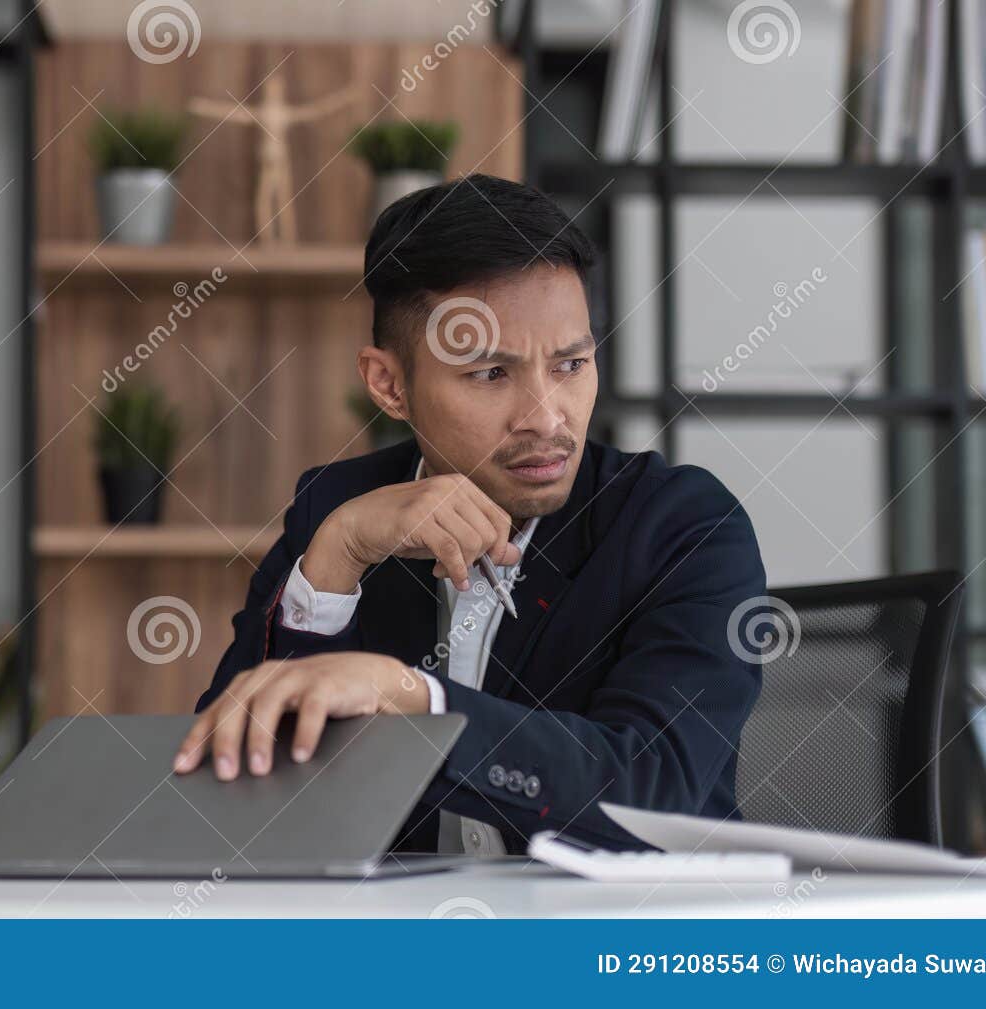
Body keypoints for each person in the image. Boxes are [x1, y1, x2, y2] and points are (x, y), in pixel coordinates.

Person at [173, 174, 767, 853]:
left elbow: (652, 792)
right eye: (491, 374)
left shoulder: (683, 525)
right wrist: (333, 562)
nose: (546, 417)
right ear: (389, 385)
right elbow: (234, 784)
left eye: (571, 364)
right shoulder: (338, 512)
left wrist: (414, 699)